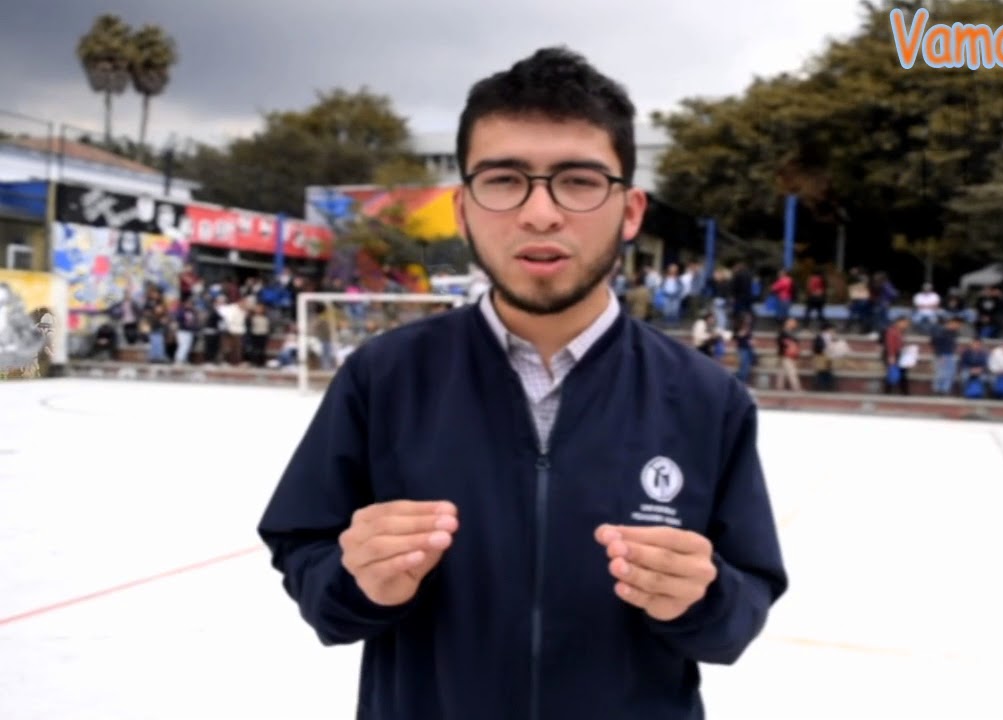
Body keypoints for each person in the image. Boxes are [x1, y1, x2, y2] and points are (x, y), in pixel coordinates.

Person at [257, 46, 788, 720]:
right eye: (505, 180)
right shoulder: (384, 377)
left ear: (629, 211)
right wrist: (356, 581)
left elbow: (742, 609)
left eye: (578, 180)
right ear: (463, 210)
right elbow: (308, 557)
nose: (540, 213)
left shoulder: (710, 400)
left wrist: (703, 598)